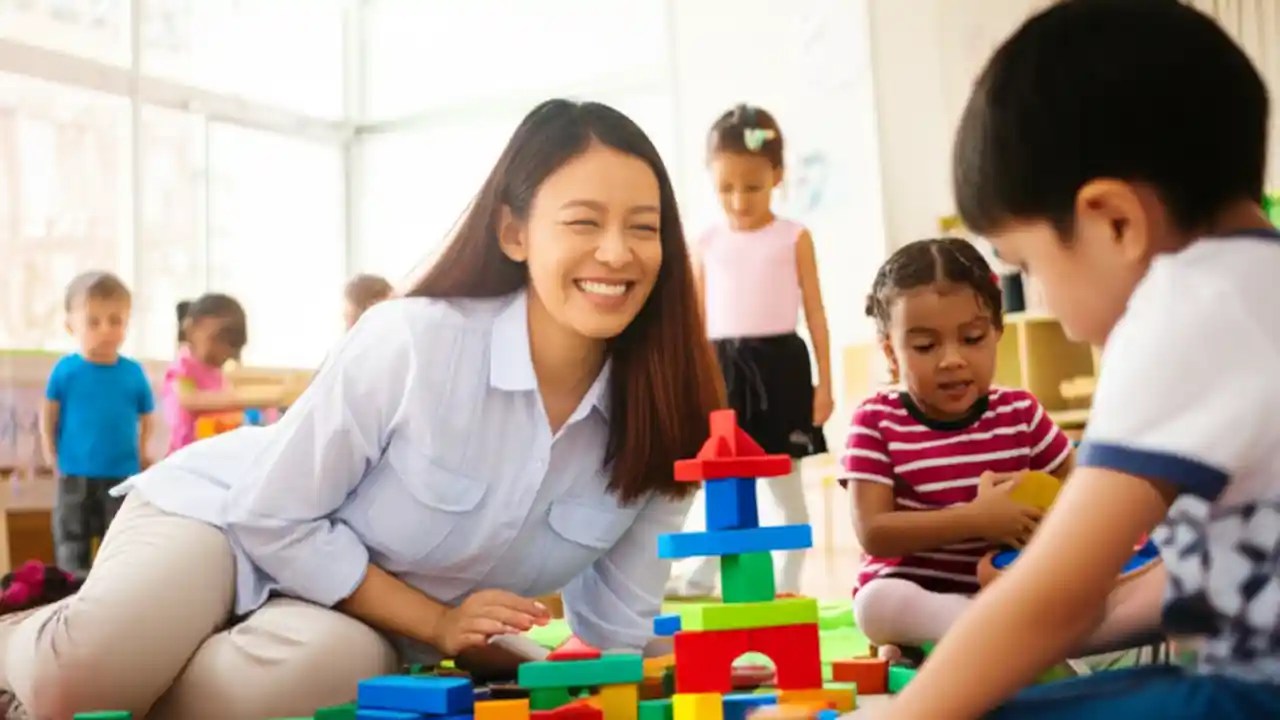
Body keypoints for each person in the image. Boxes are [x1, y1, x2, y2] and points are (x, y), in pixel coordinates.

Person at [0, 98, 723, 720]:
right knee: (80, 682)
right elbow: (272, 514)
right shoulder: (418, 340)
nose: (616, 253)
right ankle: (20, 643)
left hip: (355, 614)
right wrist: (441, 622)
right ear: (513, 233)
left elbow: (613, 632)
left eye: (642, 227)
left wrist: (680, 668)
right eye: (583, 222)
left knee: (302, 683)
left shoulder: (665, 417)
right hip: (226, 518)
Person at [858, 1, 1280, 717]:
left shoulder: (1181, 314)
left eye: (1030, 265)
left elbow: (1055, 596)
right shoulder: (1255, 287)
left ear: (1114, 222)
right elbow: (1202, 569)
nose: (1045, 297)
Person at [844, 238, 1073, 664]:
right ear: (891, 353)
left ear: (997, 334)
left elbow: (1081, 488)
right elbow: (873, 531)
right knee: (874, 605)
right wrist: (974, 519)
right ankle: (981, 631)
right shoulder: (876, 420)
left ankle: (965, 638)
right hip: (911, 590)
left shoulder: (1020, 412)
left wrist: (1039, 514)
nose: (952, 360)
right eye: (926, 347)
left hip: (1005, 583)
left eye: (971, 338)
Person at [668, 104, 833, 597]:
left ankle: (789, 580)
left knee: (785, 483)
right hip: (721, 373)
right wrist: (689, 386)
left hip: (780, 369)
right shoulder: (706, 242)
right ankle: (702, 574)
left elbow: (817, 313)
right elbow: (694, 326)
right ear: (710, 179)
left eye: (753, 187)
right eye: (726, 188)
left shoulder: (794, 237)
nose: (739, 200)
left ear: (777, 176)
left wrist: (825, 384)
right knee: (719, 483)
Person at [39, 271, 155, 574]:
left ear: (127, 323)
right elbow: (49, 413)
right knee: (71, 539)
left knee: (116, 540)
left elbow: (147, 417)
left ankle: (110, 594)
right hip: (74, 472)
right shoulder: (65, 371)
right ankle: (70, 592)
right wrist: (50, 452)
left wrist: (142, 451)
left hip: (120, 475)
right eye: (93, 322)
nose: (106, 330)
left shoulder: (133, 373)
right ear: (70, 325)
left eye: (115, 321)